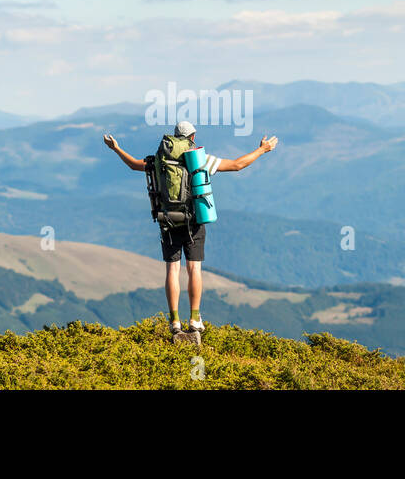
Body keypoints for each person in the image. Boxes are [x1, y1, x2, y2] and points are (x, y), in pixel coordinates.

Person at [103, 120, 279, 334]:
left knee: (172, 269)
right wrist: (262, 149)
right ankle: (194, 319)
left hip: (167, 219)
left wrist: (116, 148)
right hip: (193, 220)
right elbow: (237, 165)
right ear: (192, 138)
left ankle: (174, 321)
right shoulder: (198, 159)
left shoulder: (159, 160)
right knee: (194, 268)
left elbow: (132, 164)